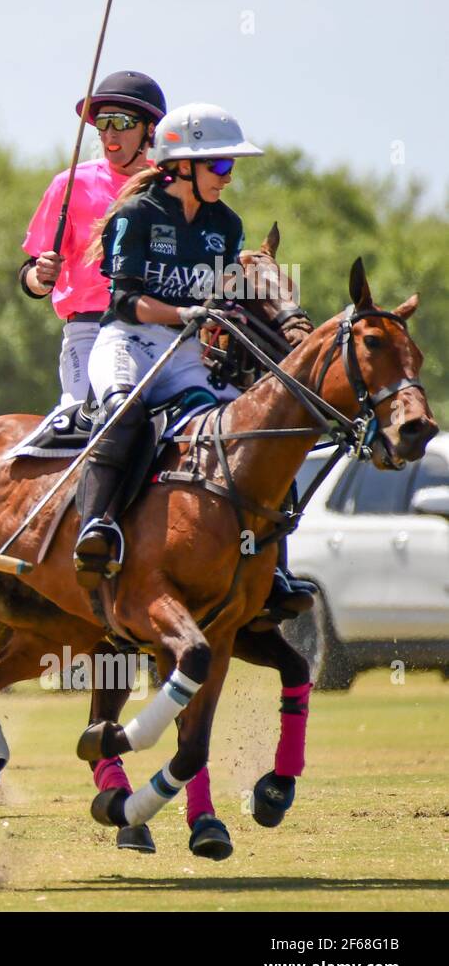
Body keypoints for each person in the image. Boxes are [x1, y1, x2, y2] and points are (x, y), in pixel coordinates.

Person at [72, 102, 318, 621]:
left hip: (183, 351)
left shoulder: (225, 225)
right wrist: (184, 309)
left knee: (258, 426)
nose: (228, 179)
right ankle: (96, 528)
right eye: (222, 166)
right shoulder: (135, 217)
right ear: (181, 165)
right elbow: (122, 301)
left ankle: (272, 564)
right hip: (128, 343)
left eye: (231, 168)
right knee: (126, 415)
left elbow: (227, 294)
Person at [20, 71, 167, 406]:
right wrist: (41, 278)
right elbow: (28, 276)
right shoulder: (69, 184)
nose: (109, 133)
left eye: (122, 121)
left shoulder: (174, 185)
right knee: (80, 423)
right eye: (103, 123)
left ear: (151, 129)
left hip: (165, 331)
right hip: (90, 332)